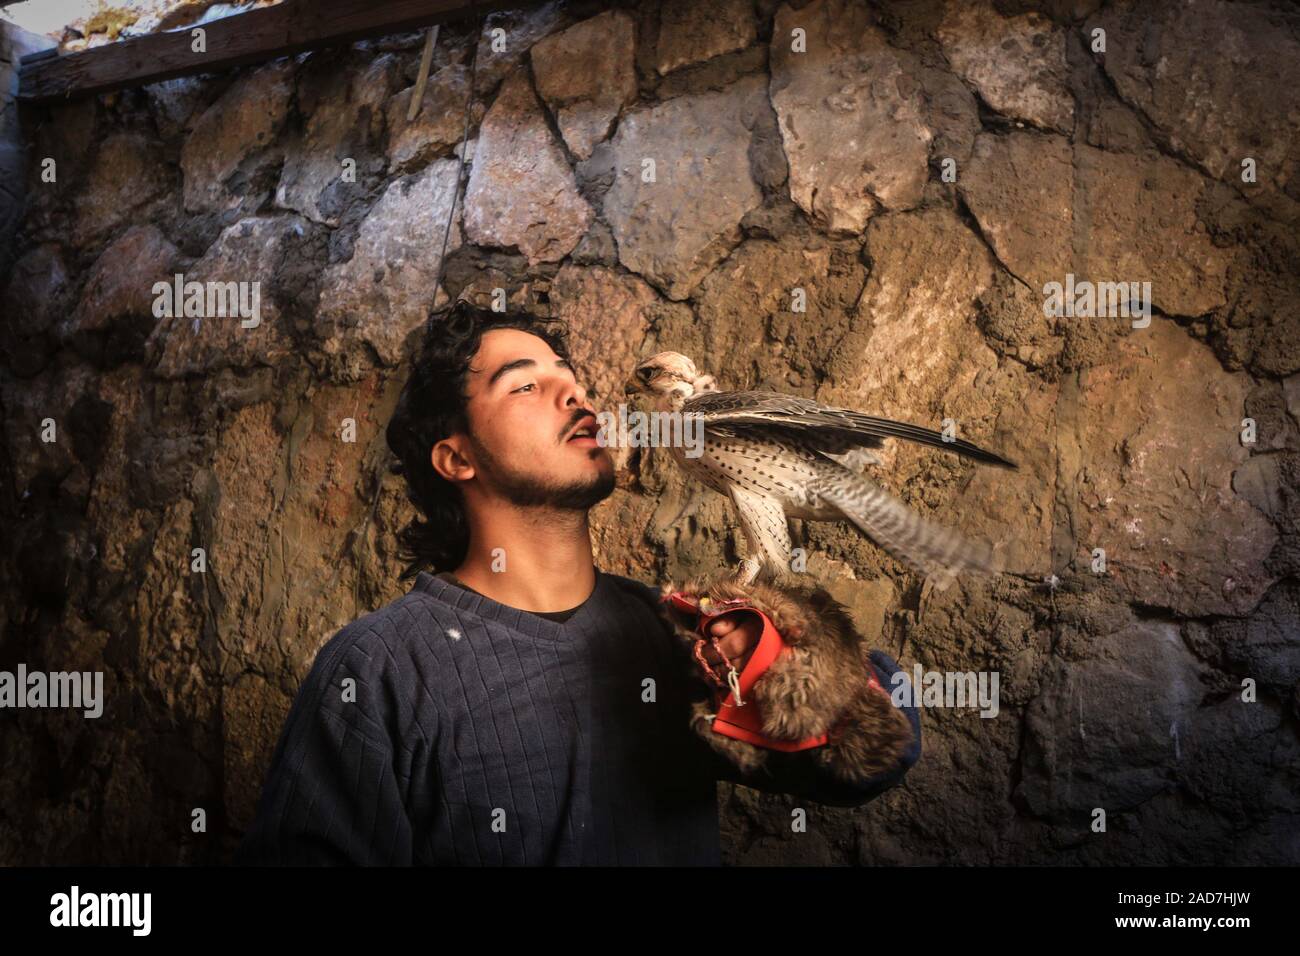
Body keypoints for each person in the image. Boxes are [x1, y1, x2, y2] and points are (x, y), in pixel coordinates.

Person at [235, 301, 921, 866]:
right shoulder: (380, 670)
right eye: (526, 384)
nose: (575, 392)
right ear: (457, 456)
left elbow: (871, 758)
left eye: (570, 374)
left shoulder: (673, 637)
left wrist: (790, 662)